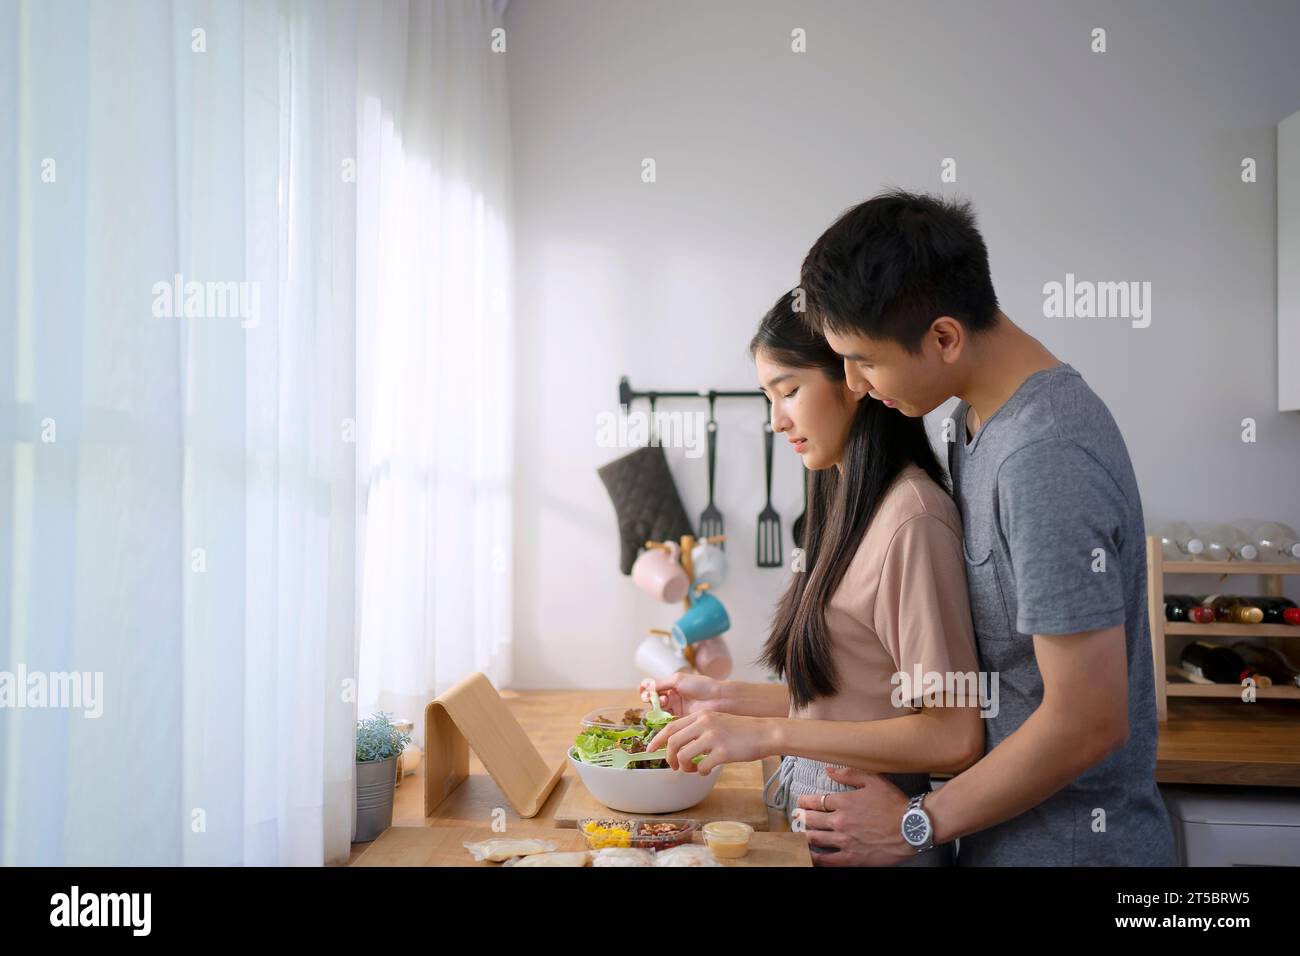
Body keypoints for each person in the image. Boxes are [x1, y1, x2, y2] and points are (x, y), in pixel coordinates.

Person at [783, 188, 1177, 866]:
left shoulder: (1043, 453)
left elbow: (1089, 720)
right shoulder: (975, 423)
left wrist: (913, 822)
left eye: (865, 360)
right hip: (1002, 841)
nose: (851, 383)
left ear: (943, 337)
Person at [643, 288, 985, 865]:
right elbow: (857, 701)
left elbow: (953, 733)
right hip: (824, 833)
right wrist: (724, 701)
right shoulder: (841, 499)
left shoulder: (913, 519)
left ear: (853, 378)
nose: (777, 421)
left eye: (790, 391)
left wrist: (766, 736)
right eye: (768, 398)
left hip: (878, 843)